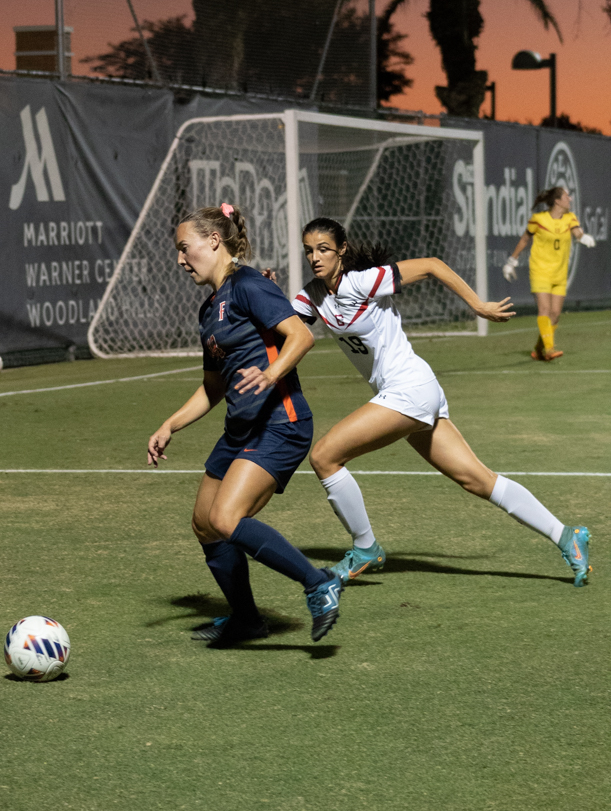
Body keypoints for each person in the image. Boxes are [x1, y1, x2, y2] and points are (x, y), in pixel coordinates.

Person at [291, 216, 591, 587]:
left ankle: (366, 548)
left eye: (323, 249)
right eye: (309, 250)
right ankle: (567, 536)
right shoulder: (312, 295)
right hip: (411, 392)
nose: (315, 257)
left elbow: (432, 265)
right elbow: (284, 325)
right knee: (478, 480)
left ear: (342, 251)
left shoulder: (362, 281)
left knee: (324, 456)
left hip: (409, 389)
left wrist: (478, 306)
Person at [147, 204, 343, 644]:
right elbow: (212, 389)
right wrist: (170, 425)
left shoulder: (251, 284)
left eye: (185, 247)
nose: (180, 259)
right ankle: (246, 620)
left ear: (214, 241)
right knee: (204, 522)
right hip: (240, 429)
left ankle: (319, 583)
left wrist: (272, 374)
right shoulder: (208, 311)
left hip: (280, 423)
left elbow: (302, 336)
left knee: (226, 517)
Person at [503, 186, 596, 361]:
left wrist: (582, 237)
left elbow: (577, 232)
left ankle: (539, 348)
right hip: (540, 270)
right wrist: (511, 262)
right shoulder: (538, 219)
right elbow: (525, 239)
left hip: (559, 273)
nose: (570, 199)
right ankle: (550, 349)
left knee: (555, 314)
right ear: (558, 201)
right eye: (567, 196)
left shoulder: (570, 218)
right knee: (545, 309)